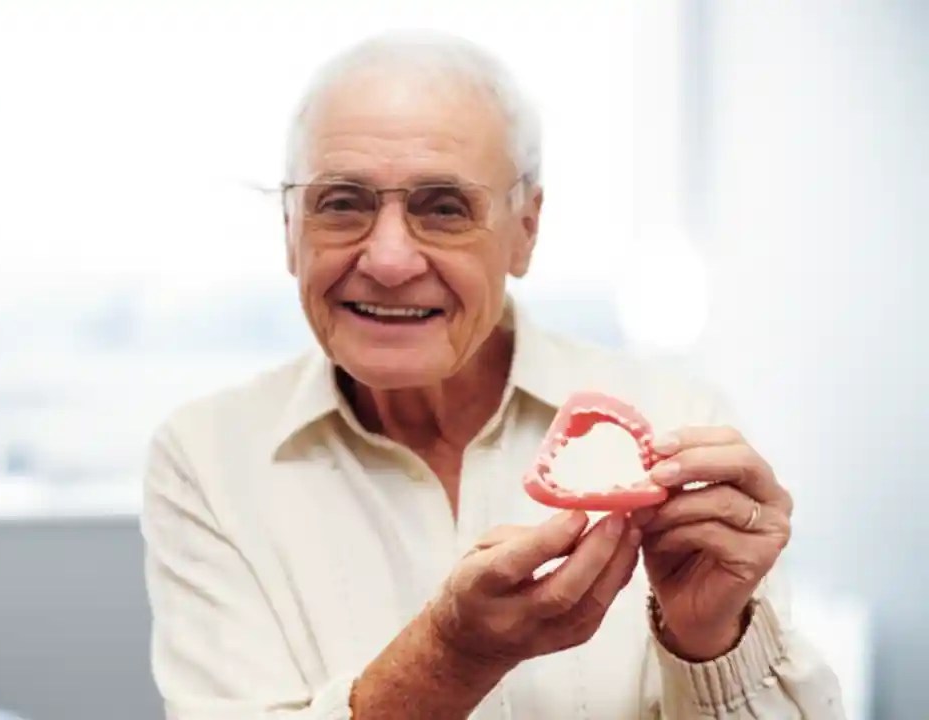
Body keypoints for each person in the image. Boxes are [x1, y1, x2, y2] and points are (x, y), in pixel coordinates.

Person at [141, 32, 845, 719]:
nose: (389, 260)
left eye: (443, 208)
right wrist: (451, 655)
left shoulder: (674, 418)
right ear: (290, 227)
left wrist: (710, 641)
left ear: (525, 231)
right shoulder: (207, 458)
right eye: (343, 203)